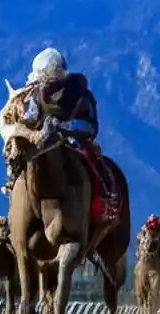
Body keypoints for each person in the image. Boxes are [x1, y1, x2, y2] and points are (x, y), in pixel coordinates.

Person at [14, 48, 116, 215]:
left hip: (73, 143)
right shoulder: (35, 95)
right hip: (42, 141)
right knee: (21, 163)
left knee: (92, 161)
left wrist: (64, 129)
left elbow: (90, 125)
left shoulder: (80, 95)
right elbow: (30, 118)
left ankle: (105, 199)